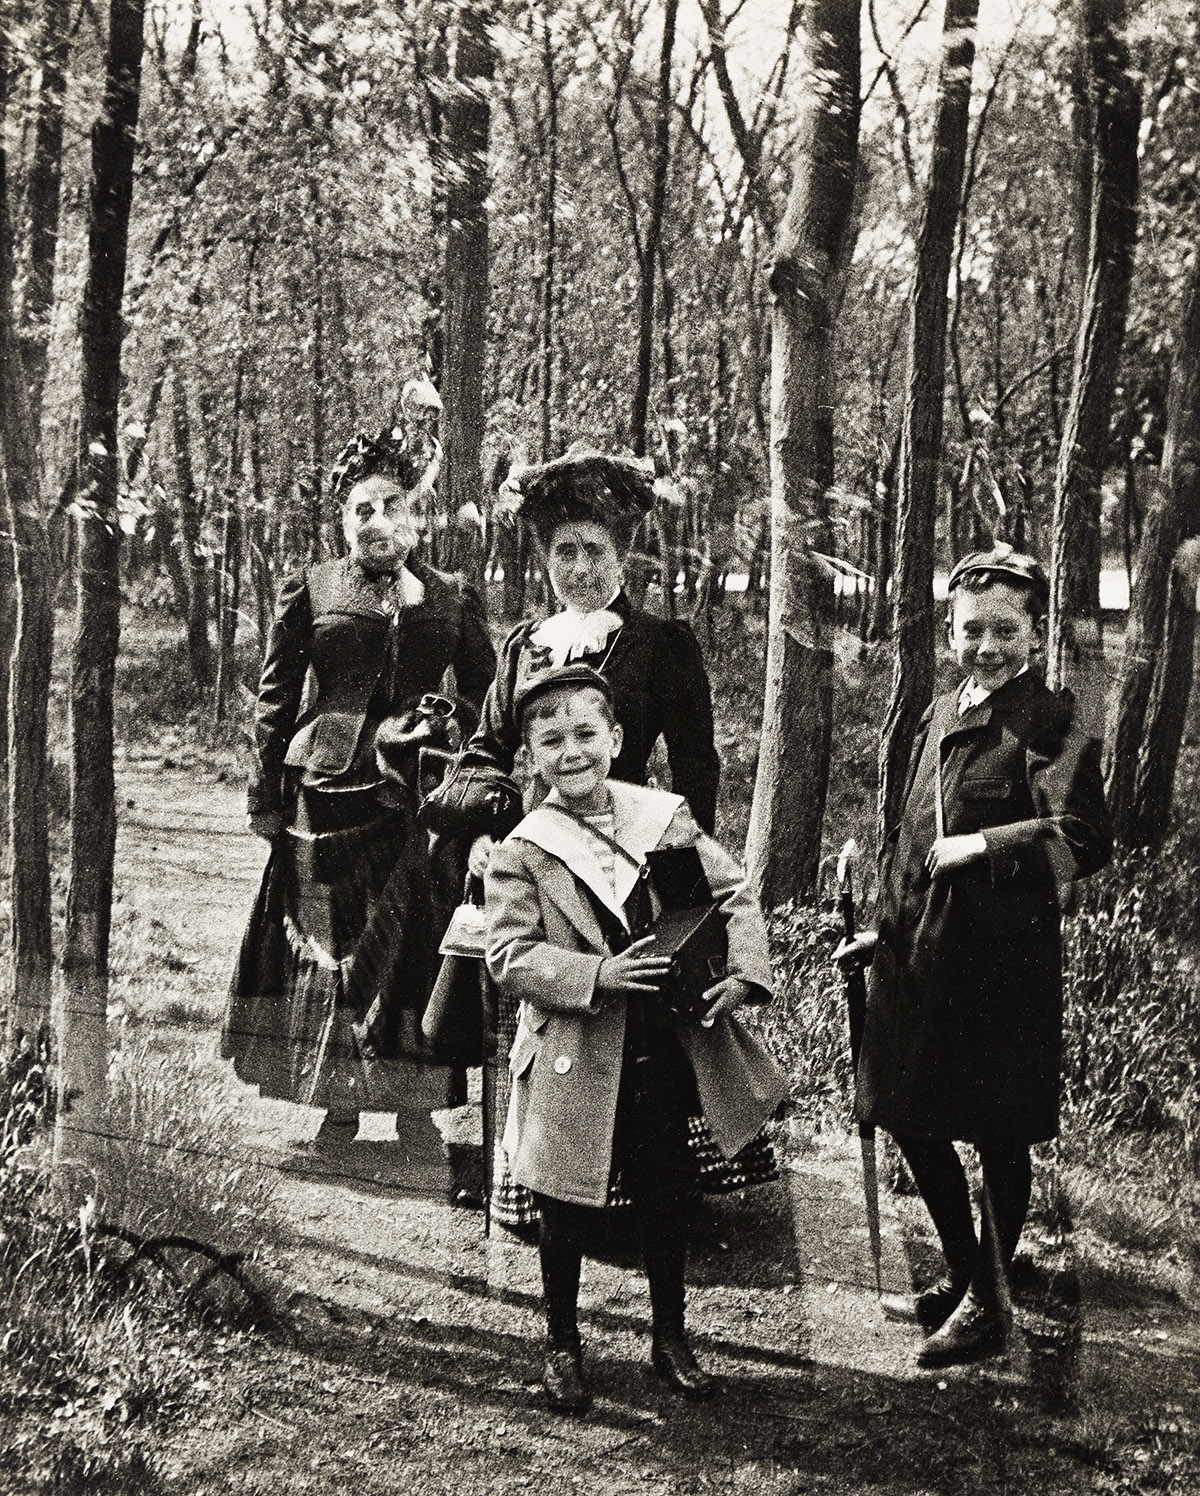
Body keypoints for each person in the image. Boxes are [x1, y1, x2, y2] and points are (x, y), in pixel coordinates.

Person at [485, 663, 787, 1413]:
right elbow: (509, 955)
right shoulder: (523, 848)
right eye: (550, 740)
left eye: (586, 733)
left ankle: (670, 1338)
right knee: (563, 1206)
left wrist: (743, 974)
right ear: (530, 756)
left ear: (616, 738)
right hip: (574, 1048)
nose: (572, 752)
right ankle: (561, 1344)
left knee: (664, 1192)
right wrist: (595, 976)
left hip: (661, 1039)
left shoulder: (662, 817)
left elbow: (729, 894)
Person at [837, 546, 1112, 1367]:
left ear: (1035, 630)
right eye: (972, 629)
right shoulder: (940, 709)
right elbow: (912, 837)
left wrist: (984, 847)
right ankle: (970, 1278)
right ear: (950, 630)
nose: (987, 646)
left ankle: (987, 1301)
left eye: (1005, 629)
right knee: (907, 1115)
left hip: (999, 968)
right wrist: (880, 930)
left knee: (996, 1136)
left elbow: (1081, 840)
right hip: (919, 957)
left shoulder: (1054, 723)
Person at [222, 429, 497, 1164]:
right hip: (327, 795)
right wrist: (265, 792)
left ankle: (418, 1113)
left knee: (413, 944)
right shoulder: (312, 589)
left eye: (391, 506)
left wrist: (452, 735)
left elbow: (487, 692)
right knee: (329, 945)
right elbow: (276, 698)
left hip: (418, 794)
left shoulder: (451, 595)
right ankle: (335, 1109)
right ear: (344, 524)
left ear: (414, 517)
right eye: (361, 510)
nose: (377, 520)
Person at [460, 444, 720, 841]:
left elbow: (694, 768)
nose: (581, 569)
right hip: (534, 842)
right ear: (547, 563)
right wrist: (480, 834)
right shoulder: (525, 646)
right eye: (565, 552)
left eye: (594, 551)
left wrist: (679, 871)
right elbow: (485, 753)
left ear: (619, 557)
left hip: (625, 842)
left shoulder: (660, 644)